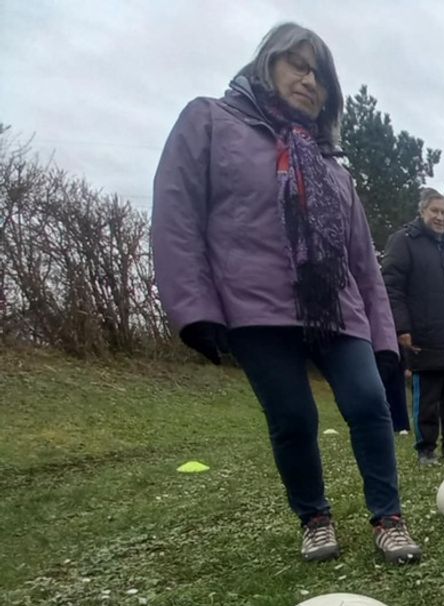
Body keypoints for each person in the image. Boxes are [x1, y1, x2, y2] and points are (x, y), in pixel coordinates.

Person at [151, 23, 421, 564]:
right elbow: (177, 213)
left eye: (319, 74)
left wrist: (384, 339)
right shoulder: (209, 120)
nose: (308, 80)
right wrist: (195, 308)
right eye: (297, 64)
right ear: (267, 63)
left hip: (335, 306)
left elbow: (363, 260)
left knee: (368, 403)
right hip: (255, 304)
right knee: (293, 417)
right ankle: (315, 518)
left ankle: (387, 517)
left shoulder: (332, 166)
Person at [382, 188, 444, 466]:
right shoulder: (403, 241)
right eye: (435, 211)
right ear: (422, 212)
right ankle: (425, 449)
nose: (440, 217)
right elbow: (391, 287)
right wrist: (402, 326)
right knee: (427, 398)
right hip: (423, 336)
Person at [382, 348, 411, 435]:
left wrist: (406, 366)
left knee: (399, 395)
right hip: (380, 357)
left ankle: (402, 426)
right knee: (382, 395)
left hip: (396, 359)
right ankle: (386, 424)